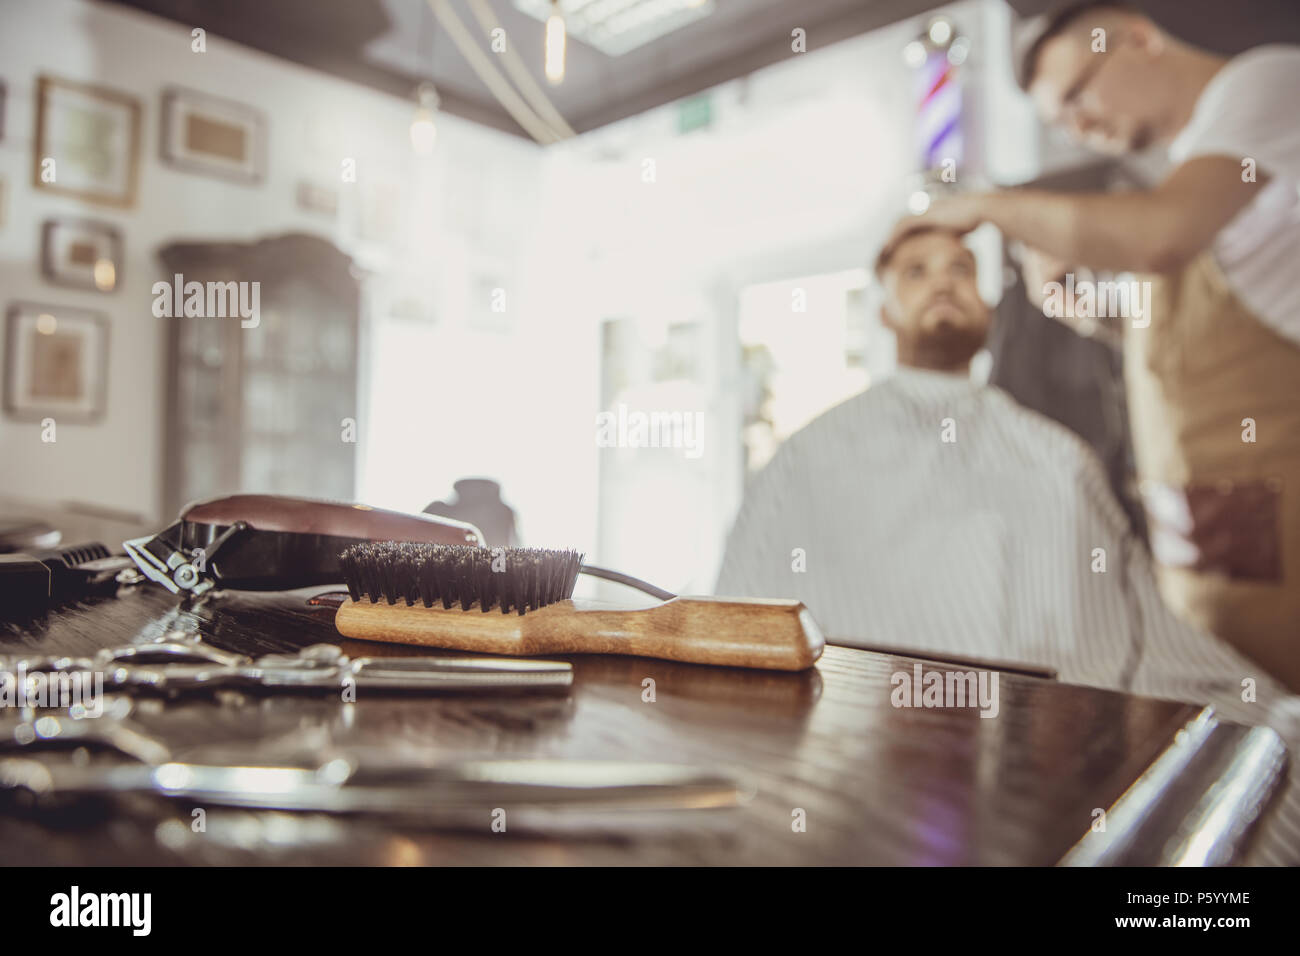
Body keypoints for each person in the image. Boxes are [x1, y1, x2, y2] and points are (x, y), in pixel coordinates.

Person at [715, 223, 1300, 864]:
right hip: (845, 777)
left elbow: (1138, 639)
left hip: (1036, 780)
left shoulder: (1058, 459)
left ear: (990, 307)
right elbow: (736, 634)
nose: (943, 281)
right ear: (884, 312)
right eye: (917, 271)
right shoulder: (806, 460)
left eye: (961, 269)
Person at [892, 1, 1300, 689]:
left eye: (1076, 95)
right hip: (1217, 547)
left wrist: (987, 204)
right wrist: (1096, 317)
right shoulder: (1203, 161)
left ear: (1136, 37)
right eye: (1060, 122)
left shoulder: (1267, 84)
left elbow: (1161, 235)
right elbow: (1215, 326)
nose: (1077, 128)